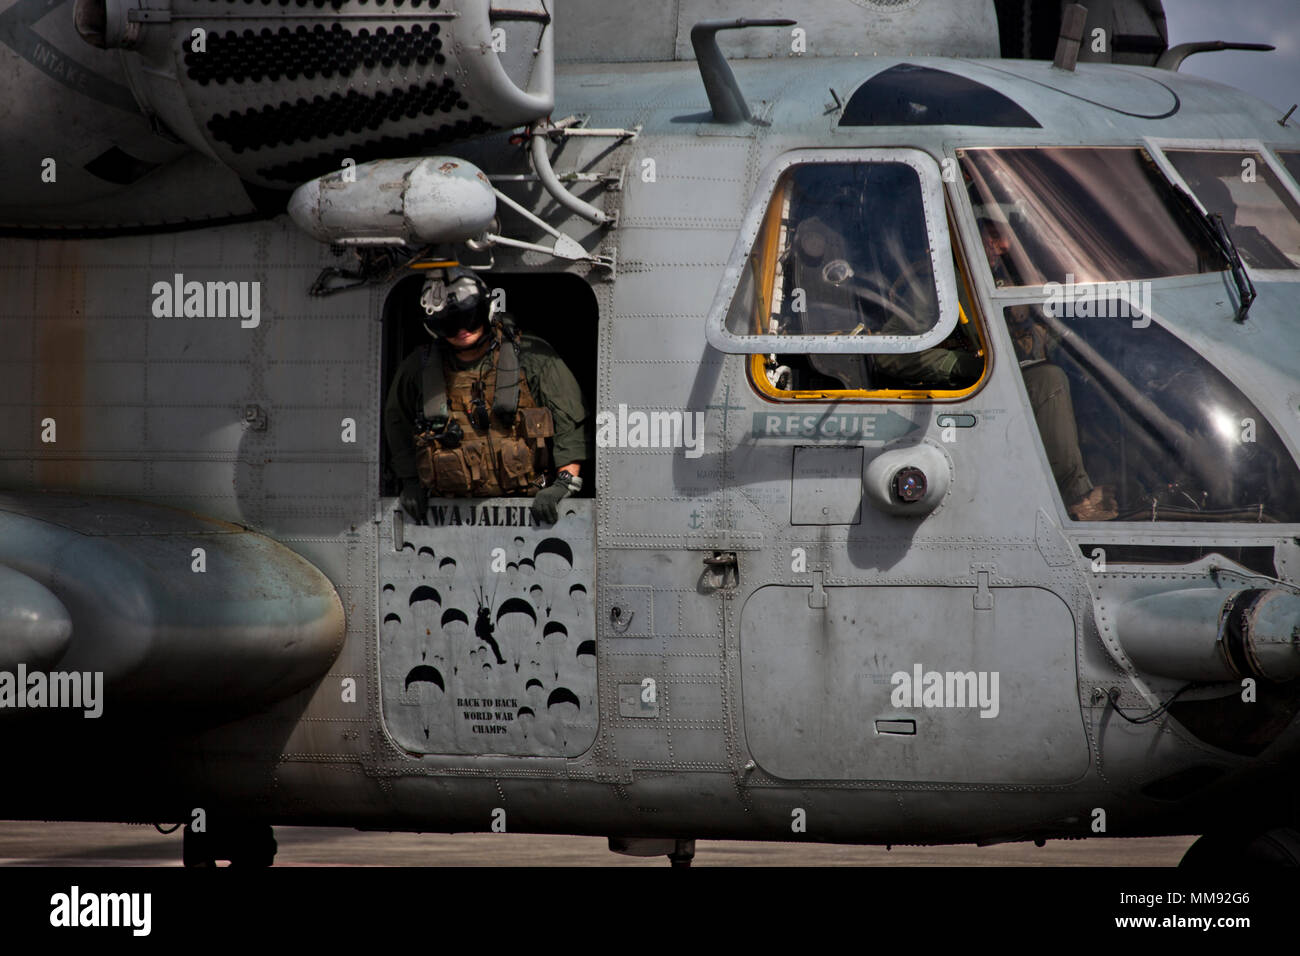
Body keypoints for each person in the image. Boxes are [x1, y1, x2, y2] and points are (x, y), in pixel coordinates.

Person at [384, 268, 588, 525]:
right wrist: (411, 482)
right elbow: (397, 424)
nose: (462, 330)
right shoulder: (419, 369)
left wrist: (562, 484)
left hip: (528, 502)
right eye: (449, 323)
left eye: (469, 319)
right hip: (450, 512)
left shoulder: (533, 358)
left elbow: (569, 423)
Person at [1006, 304, 1115, 521]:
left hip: (1046, 370)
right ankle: (1077, 496)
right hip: (993, 379)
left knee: (1103, 380)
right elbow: (922, 357)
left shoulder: (1026, 273)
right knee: (1049, 379)